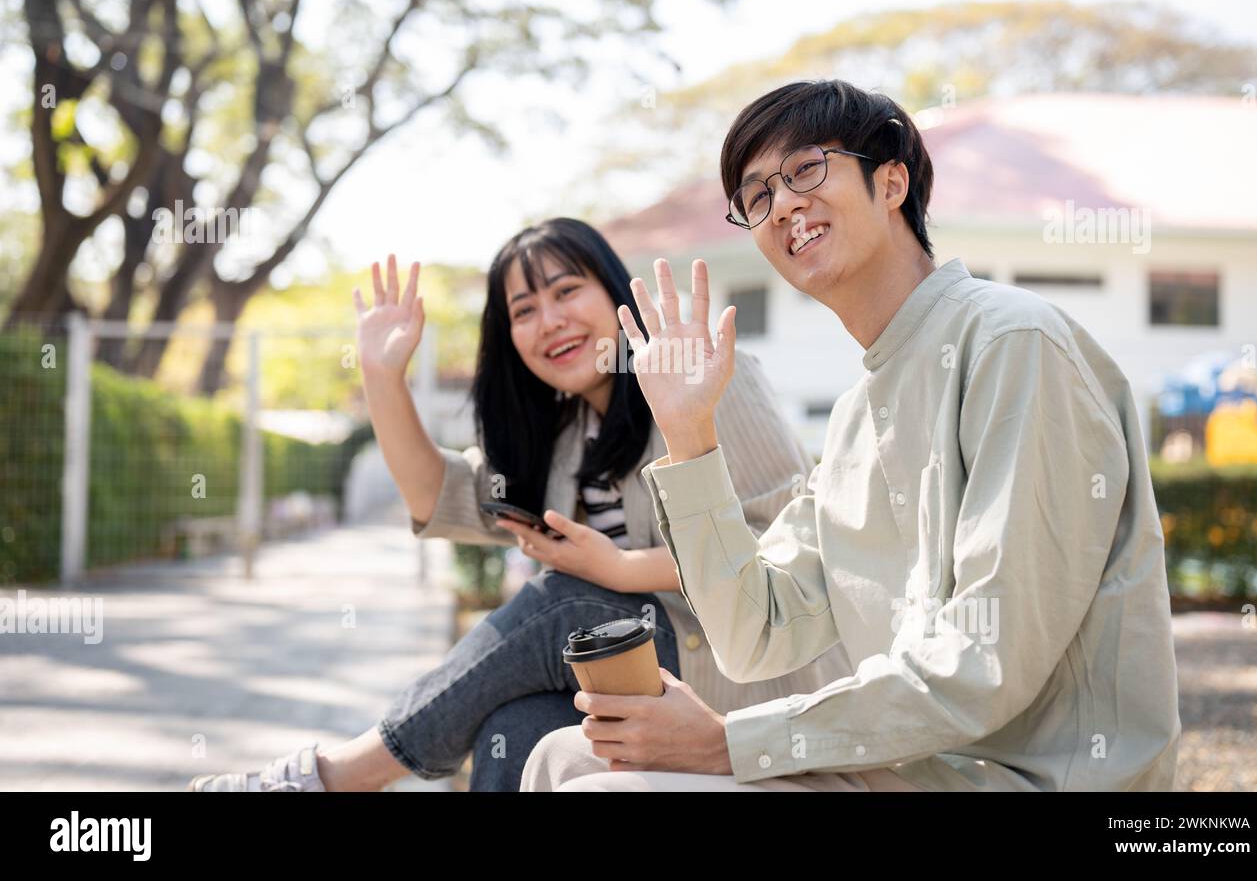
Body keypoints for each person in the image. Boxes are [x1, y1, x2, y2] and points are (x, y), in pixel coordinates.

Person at [522, 81, 1181, 792]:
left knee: (608, 790)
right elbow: (755, 635)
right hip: (907, 771)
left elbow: (984, 663)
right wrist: (689, 437)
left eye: (806, 169)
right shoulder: (856, 415)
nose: (785, 206)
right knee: (560, 757)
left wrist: (729, 743)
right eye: (758, 196)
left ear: (892, 180)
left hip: (1020, 781)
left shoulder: (1012, 342)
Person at [187, 217, 851, 791]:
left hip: (751, 680)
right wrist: (382, 376)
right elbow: (437, 497)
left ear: (616, 294)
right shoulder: (561, 443)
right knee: (517, 730)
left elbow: (780, 544)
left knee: (565, 599)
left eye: (567, 291)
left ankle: (341, 776)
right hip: (645, 678)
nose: (550, 320)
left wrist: (615, 571)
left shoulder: (707, 382)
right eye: (524, 310)